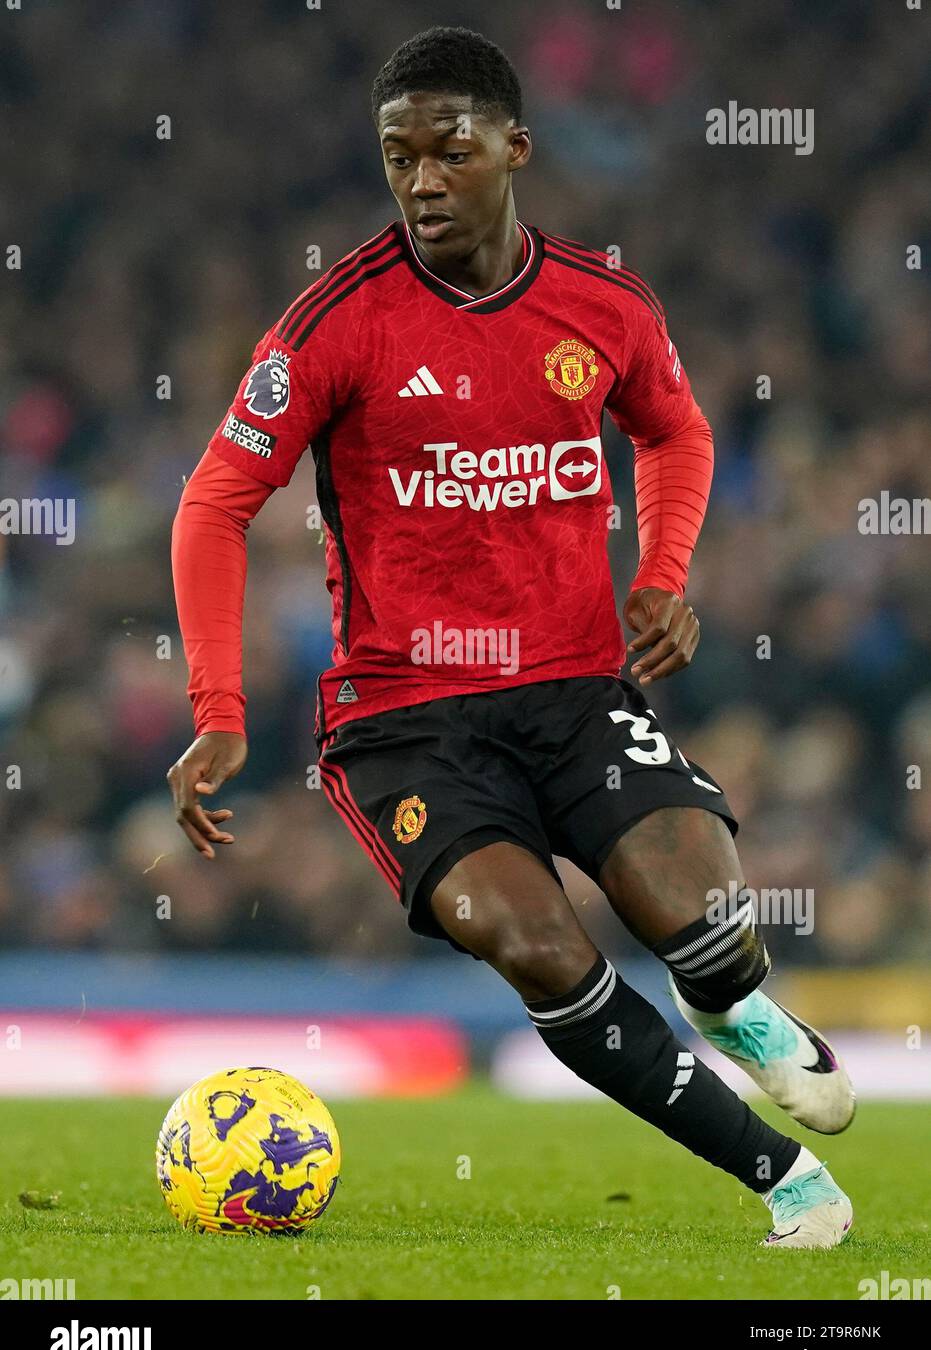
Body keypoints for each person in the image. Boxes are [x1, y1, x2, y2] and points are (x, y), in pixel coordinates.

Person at [169, 25, 854, 1248]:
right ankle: (782, 1179)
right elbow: (213, 504)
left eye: (450, 150)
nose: (423, 180)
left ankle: (737, 1005)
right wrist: (218, 707)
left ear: (514, 149)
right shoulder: (338, 320)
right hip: (406, 718)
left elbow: (679, 432)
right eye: (398, 156)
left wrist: (665, 572)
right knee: (536, 945)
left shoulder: (603, 302)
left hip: (576, 687)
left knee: (695, 911)